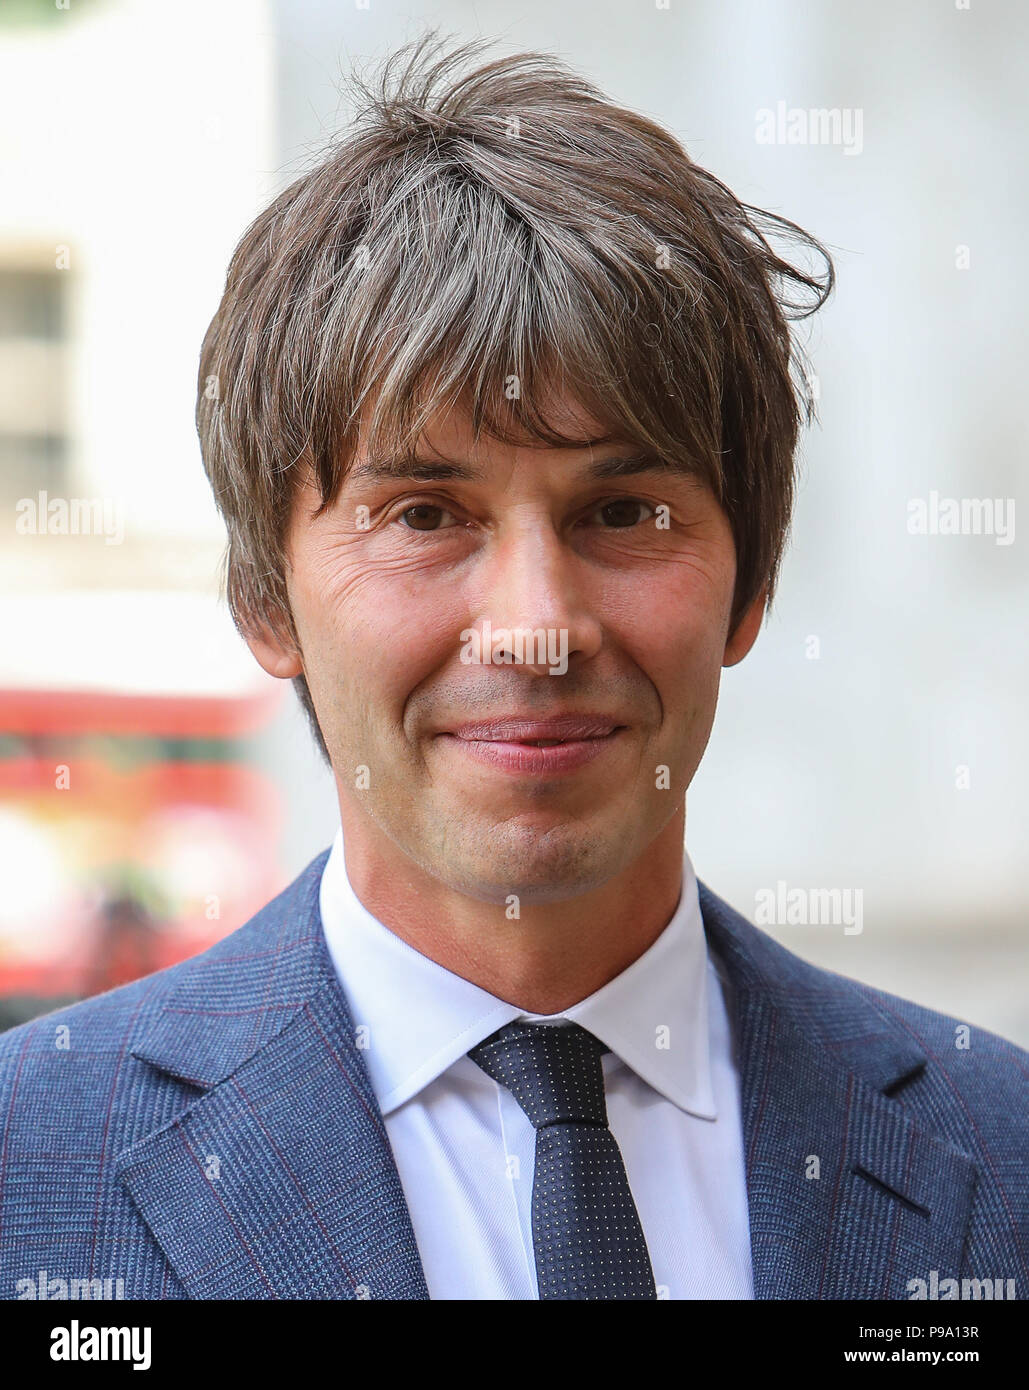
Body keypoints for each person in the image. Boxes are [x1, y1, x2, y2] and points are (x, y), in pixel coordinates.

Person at [1, 32, 1025, 1302]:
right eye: (426, 515)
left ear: (752, 581)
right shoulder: (29, 1167)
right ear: (267, 598)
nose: (538, 627)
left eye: (623, 513)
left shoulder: (1001, 1149)